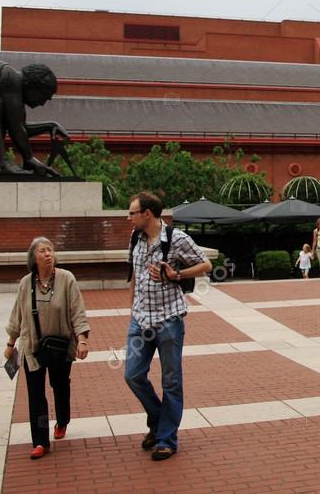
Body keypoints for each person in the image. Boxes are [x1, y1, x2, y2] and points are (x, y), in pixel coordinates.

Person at [125, 192, 212, 461]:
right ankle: (159, 419)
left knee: (171, 381)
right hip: (140, 320)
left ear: (147, 214)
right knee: (132, 374)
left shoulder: (177, 238)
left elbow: (206, 264)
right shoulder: (134, 238)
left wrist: (176, 275)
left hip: (169, 320)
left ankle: (166, 438)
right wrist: (132, 309)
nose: (129, 218)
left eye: (132, 213)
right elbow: (135, 277)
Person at [4, 237, 90, 459]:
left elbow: (77, 311)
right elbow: (17, 315)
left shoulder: (66, 279)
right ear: (34, 257)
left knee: (60, 385)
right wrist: (10, 344)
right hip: (32, 347)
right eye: (42, 251)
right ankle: (41, 441)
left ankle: (62, 420)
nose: (48, 254)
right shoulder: (26, 283)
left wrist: (82, 339)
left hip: (60, 347)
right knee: (36, 395)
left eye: (50, 250)